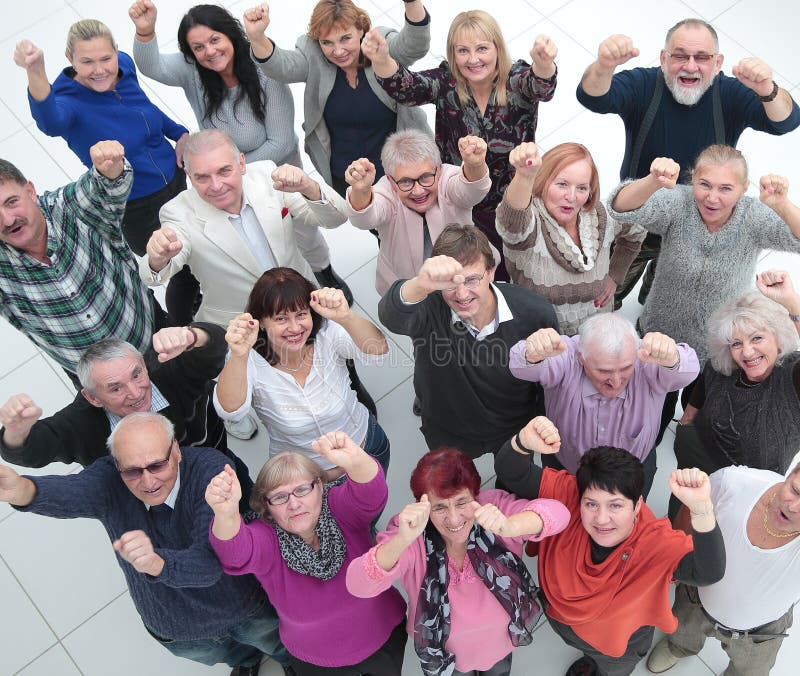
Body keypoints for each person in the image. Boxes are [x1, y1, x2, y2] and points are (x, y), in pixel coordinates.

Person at [0, 412, 290, 676]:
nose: (148, 481)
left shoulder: (210, 470)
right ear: (116, 465)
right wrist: (21, 490)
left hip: (243, 604)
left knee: (279, 643)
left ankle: (290, 662)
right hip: (174, 627)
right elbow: (71, 492)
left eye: (157, 465)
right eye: (132, 471)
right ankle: (248, 663)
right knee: (231, 656)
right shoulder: (109, 479)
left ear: (176, 451)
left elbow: (210, 564)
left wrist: (157, 563)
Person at [576, 18, 800, 309]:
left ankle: (649, 299)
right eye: (680, 56)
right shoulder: (644, 84)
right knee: (605, 290)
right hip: (640, 212)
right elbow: (593, 97)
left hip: (699, 221)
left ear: (718, 63)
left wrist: (767, 89)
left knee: (667, 290)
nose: (691, 66)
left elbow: (786, 121)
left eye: (702, 57)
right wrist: (603, 67)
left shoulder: (730, 93)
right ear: (663, 59)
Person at [495, 416, 725, 676]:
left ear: (637, 506)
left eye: (615, 505)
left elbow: (709, 572)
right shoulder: (568, 493)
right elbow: (511, 472)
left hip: (617, 645)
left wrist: (702, 510)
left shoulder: (655, 541)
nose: (602, 519)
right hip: (559, 617)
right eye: (591, 504)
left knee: (611, 671)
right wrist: (522, 442)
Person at [14, 20, 198, 324]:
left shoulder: (124, 67)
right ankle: (185, 327)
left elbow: (146, 108)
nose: (99, 70)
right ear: (71, 61)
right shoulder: (68, 101)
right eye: (87, 62)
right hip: (137, 205)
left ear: (116, 53)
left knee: (200, 251)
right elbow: (50, 121)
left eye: (105, 59)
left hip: (175, 178)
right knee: (180, 267)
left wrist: (179, 133)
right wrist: (36, 70)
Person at [607, 146, 800, 424]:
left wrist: (781, 204)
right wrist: (652, 181)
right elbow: (619, 207)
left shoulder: (753, 217)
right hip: (659, 336)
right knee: (649, 414)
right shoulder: (679, 203)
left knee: (697, 417)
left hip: (716, 351)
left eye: (725, 188)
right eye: (705, 184)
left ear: (744, 188)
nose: (712, 197)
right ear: (693, 178)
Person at [362, 10, 558, 279]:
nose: (473, 59)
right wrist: (382, 59)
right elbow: (406, 88)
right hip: (460, 201)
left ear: (497, 48)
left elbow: (541, 87)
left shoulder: (516, 79)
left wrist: (544, 64)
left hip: (513, 199)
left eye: (482, 48)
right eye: (463, 50)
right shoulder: (446, 82)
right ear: (453, 54)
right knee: (468, 270)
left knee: (516, 265)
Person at [346, 447, 570, 676]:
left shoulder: (493, 509)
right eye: (439, 507)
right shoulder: (410, 533)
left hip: (501, 642)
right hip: (447, 655)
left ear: (475, 495)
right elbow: (358, 585)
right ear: (423, 506)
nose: (453, 519)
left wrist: (511, 526)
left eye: (462, 502)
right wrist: (401, 540)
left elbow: (560, 513)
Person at [206, 430, 407, 675]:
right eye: (279, 497)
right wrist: (225, 514)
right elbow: (235, 553)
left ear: (319, 486)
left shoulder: (339, 507)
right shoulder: (266, 537)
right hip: (315, 658)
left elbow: (371, 493)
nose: (294, 504)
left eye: (302, 490)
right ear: (267, 506)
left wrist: (356, 459)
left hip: (382, 635)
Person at [0, 323, 254, 511]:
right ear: (93, 398)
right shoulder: (81, 423)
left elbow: (215, 346)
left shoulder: (169, 369)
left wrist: (192, 335)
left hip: (219, 467)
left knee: (254, 512)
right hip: (160, 507)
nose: (135, 393)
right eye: (115, 388)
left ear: (144, 365)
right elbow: (30, 450)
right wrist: (16, 430)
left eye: (136, 375)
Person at [378, 223, 559, 460]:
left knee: (512, 475)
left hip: (513, 424)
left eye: (472, 280)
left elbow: (549, 383)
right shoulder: (428, 307)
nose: (462, 295)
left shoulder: (534, 312)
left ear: (491, 272)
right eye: (451, 283)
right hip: (447, 427)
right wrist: (420, 284)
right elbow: (391, 317)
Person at [140, 129, 352, 326]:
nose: (216, 186)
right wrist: (157, 258)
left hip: (303, 300)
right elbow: (154, 275)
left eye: (224, 171)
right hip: (240, 324)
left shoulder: (266, 175)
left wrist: (309, 187)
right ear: (188, 175)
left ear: (242, 163)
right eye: (202, 177)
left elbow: (338, 217)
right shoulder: (177, 212)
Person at [0, 140, 164, 376]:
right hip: (95, 382)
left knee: (195, 394)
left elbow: (106, 184)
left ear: (30, 192)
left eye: (11, 202)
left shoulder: (67, 207)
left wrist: (110, 166)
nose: (7, 220)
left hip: (152, 337)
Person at [215, 268, 390, 479]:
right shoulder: (246, 357)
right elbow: (230, 411)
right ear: (260, 321)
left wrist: (346, 317)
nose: (295, 327)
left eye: (301, 314)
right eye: (281, 319)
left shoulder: (327, 332)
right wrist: (238, 355)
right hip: (304, 479)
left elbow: (378, 351)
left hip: (366, 448)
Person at [244, 0, 431, 195]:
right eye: (327, 42)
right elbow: (281, 66)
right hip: (347, 180)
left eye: (345, 38)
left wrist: (411, 2)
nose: (338, 51)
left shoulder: (379, 44)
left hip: (405, 173)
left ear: (361, 29)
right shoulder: (313, 55)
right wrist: (257, 37)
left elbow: (415, 45)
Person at [509, 314, 699, 498]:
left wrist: (673, 358)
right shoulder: (566, 353)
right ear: (581, 358)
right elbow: (519, 366)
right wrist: (532, 352)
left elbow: (689, 369)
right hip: (566, 470)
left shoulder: (646, 357)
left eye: (626, 368)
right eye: (604, 371)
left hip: (633, 473)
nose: (616, 381)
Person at [646, 457, 800, 676]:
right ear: (792, 472)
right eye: (795, 490)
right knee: (682, 631)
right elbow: (693, 508)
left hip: (759, 633)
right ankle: (679, 647)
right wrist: (678, 559)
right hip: (695, 600)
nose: (793, 507)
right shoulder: (735, 482)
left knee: (750, 671)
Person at [667, 270, 800, 519]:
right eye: (736, 343)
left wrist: (792, 303)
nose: (747, 352)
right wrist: (686, 433)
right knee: (678, 534)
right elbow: (693, 409)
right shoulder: (721, 367)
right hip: (693, 484)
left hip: (745, 503)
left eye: (757, 338)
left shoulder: (791, 377)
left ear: (779, 337)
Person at [496, 141, 645, 334]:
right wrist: (524, 176)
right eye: (562, 184)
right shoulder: (531, 222)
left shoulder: (599, 217)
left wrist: (615, 276)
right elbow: (512, 222)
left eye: (582, 188)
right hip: (542, 341)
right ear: (543, 181)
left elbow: (635, 231)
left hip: (594, 335)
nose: (572, 196)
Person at [130, 0, 301, 166]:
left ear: (230, 35)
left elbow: (281, 145)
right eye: (198, 47)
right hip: (226, 178)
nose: (210, 51)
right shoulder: (192, 69)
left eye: (214, 40)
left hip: (279, 175)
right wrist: (145, 31)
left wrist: (227, 168)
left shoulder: (264, 68)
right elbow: (151, 67)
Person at [344, 131, 491, 295]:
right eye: (406, 181)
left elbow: (472, 191)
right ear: (391, 181)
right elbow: (364, 219)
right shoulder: (385, 192)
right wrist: (361, 191)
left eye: (426, 177)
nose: (418, 191)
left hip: (461, 281)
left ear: (439, 170)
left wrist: (475, 165)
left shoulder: (448, 178)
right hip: (406, 284)